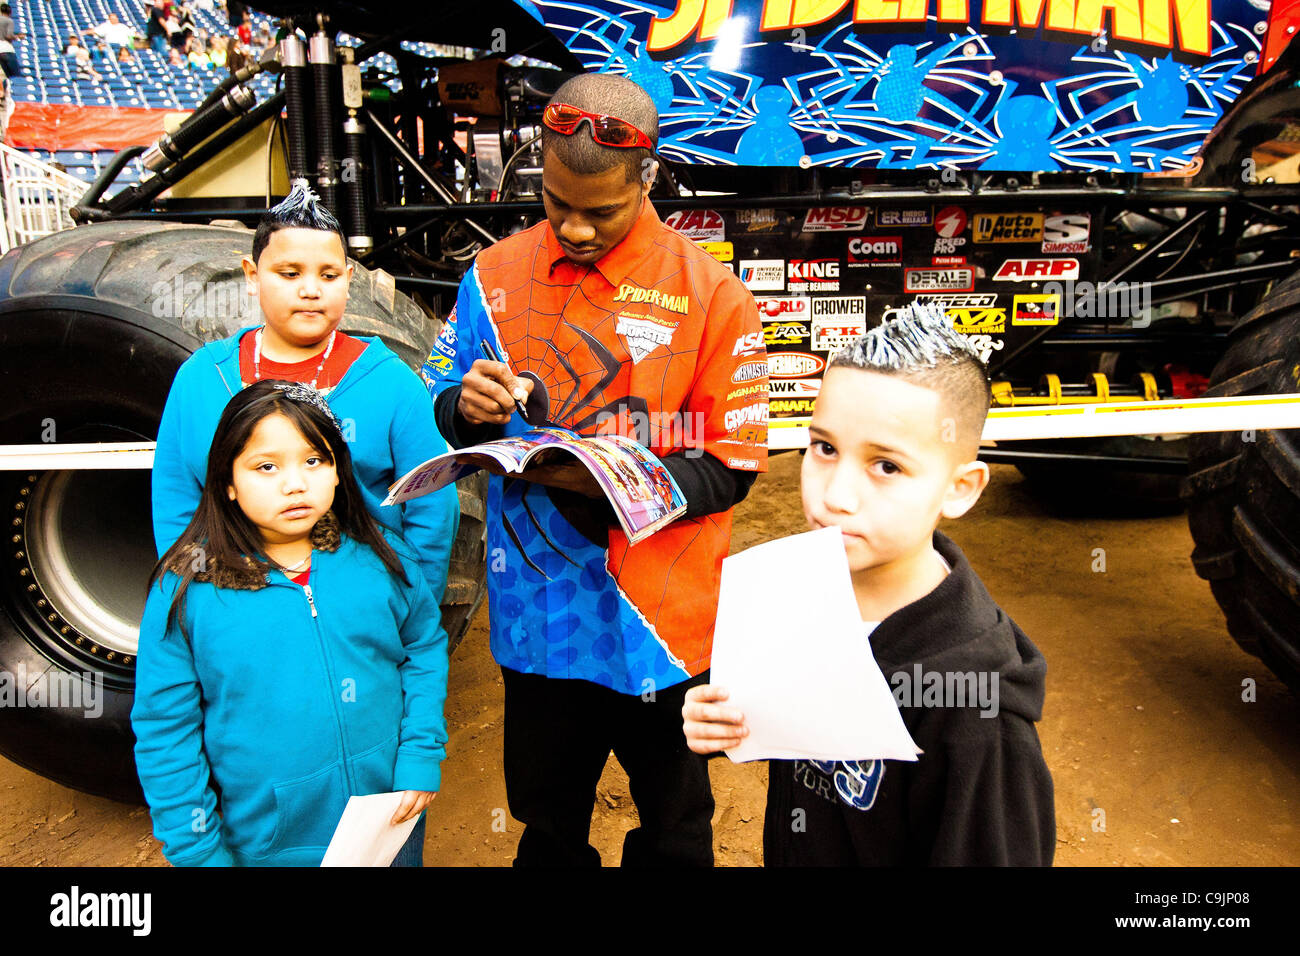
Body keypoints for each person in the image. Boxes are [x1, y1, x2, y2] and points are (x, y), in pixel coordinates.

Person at [420, 73, 768, 866]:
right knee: (547, 826)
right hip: (538, 620)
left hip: (664, 627)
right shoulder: (494, 277)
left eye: (600, 211)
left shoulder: (713, 295)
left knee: (676, 829)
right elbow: (436, 404)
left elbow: (734, 465)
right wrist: (461, 409)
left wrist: (614, 482)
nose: (573, 228)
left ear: (647, 180)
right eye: (554, 201)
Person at [682, 305, 1056, 866]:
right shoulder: (802, 594)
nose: (836, 495)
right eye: (825, 448)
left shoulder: (979, 717)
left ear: (960, 488)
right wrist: (728, 722)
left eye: (886, 466)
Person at [133, 380, 449, 866]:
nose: (295, 483)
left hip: (390, 823)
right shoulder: (185, 592)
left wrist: (419, 758)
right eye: (266, 466)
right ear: (227, 483)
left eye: (314, 460)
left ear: (339, 472)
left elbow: (423, 650)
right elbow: (165, 731)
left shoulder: (384, 559)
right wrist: (199, 853)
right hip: (269, 847)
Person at [151, 179, 460, 609]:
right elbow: (176, 498)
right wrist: (189, 601)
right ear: (252, 277)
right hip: (232, 604)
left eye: (328, 275)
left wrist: (414, 610)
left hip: (360, 609)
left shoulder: (390, 382)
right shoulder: (201, 379)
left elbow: (431, 501)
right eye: (290, 273)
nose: (311, 289)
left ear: (349, 281)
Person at [0, 3, 25, 83]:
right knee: (16, 77)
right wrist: (18, 36)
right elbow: (8, 35)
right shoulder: (9, 21)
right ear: (10, 12)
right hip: (7, 50)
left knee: (8, 78)